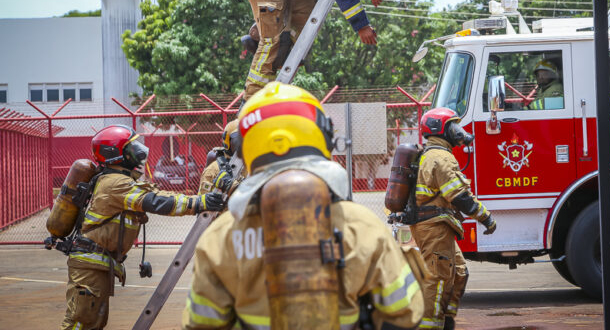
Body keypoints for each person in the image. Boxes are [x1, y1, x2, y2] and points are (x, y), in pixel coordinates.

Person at [183, 82, 424, 329]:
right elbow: (405, 313)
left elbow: (202, 323)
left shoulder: (220, 238)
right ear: (324, 137)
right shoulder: (362, 226)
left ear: (244, 149)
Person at [60, 125, 225, 330]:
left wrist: (199, 200)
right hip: (90, 263)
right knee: (80, 322)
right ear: (116, 155)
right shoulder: (115, 183)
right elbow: (156, 202)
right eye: (131, 149)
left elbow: (163, 195)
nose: (139, 153)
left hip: (98, 262)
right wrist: (199, 203)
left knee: (93, 321)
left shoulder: (123, 180)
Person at [411, 108, 497, 330]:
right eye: (453, 126)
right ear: (440, 129)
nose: (458, 131)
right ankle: (430, 325)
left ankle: (446, 319)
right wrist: (485, 217)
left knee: (459, 272)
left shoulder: (435, 154)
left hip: (440, 226)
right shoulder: (440, 157)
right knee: (438, 279)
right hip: (434, 227)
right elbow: (459, 196)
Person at [198, 119, 240, 196]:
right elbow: (202, 200)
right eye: (239, 138)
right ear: (227, 140)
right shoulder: (214, 170)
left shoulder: (255, 165)